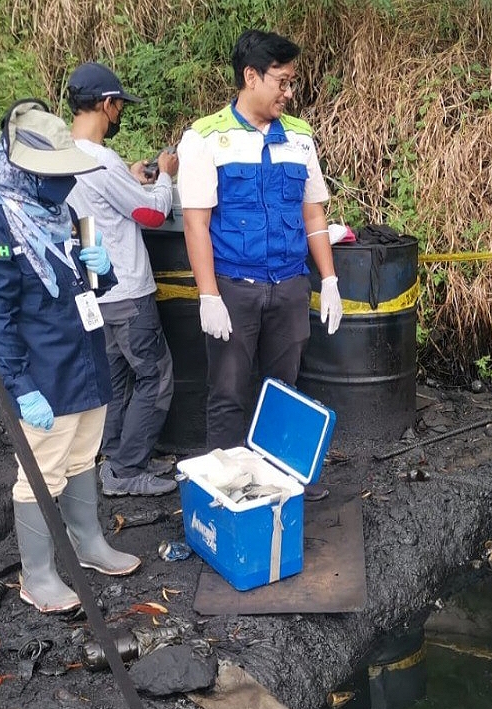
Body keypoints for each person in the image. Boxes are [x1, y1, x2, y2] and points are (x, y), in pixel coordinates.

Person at [0, 100, 142, 613]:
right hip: (42, 374)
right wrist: (20, 387)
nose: (65, 184)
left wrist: (103, 269)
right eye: (54, 175)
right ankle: (37, 575)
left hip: (85, 361)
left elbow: (87, 287)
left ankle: (88, 542)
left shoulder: (62, 215)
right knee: (41, 471)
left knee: (83, 456)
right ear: (24, 171)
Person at [176, 29, 343, 502]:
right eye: (281, 82)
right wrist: (209, 295)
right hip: (235, 286)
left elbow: (313, 214)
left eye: (291, 82)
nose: (288, 93)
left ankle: (282, 486)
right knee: (228, 391)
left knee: (284, 389)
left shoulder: (300, 138)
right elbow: (196, 223)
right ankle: (226, 492)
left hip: (289, 285)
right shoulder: (206, 138)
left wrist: (329, 278)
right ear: (251, 77)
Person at [65, 61, 180, 497]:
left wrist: (129, 179)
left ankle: (114, 457)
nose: (120, 114)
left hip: (93, 288)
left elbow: (99, 203)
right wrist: (165, 174)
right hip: (126, 291)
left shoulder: (63, 155)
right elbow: (152, 213)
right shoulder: (102, 160)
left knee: (114, 379)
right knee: (156, 376)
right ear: (107, 104)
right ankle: (128, 471)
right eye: (119, 106)